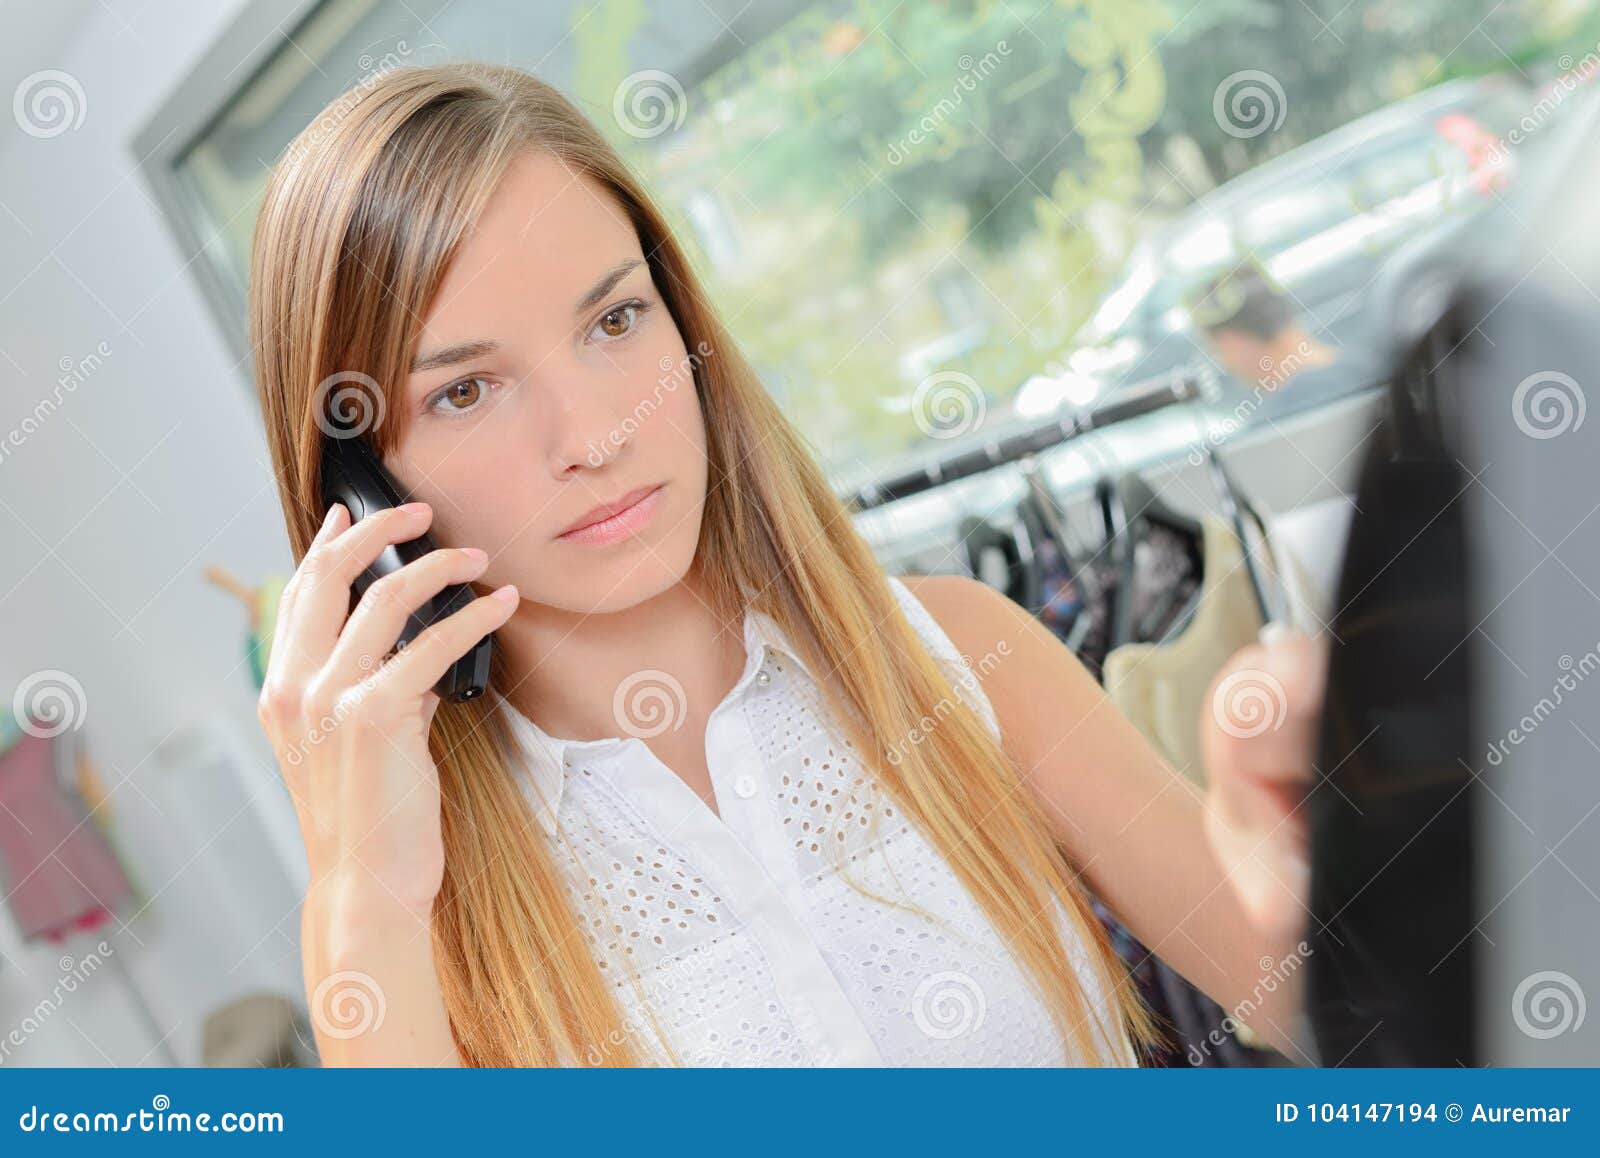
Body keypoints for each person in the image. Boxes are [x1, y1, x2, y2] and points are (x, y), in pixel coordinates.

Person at [250, 61, 1323, 1067]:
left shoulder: (962, 653)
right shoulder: (412, 898)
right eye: (466, 390)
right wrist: (364, 895)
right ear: (360, 484)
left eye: (616, 319)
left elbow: (1347, 1007)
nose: (595, 434)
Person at [1190, 260, 1379, 424]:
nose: (1225, 364)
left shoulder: (1279, 420)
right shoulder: (1370, 364)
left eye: (1216, 352)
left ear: (1232, 343)